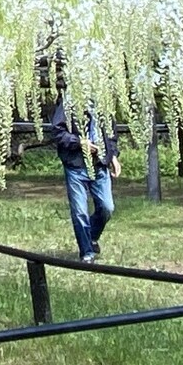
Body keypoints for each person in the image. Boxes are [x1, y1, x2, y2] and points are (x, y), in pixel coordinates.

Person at [48, 99, 118, 263]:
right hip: (76, 165)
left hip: (100, 164)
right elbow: (58, 132)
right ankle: (87, 253)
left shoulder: (103, 101)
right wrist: (79, 142)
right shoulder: (69, 103)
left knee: (107, 207)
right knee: (79, 211)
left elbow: (111, 134)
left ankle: (91, 236)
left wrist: (113, 156)